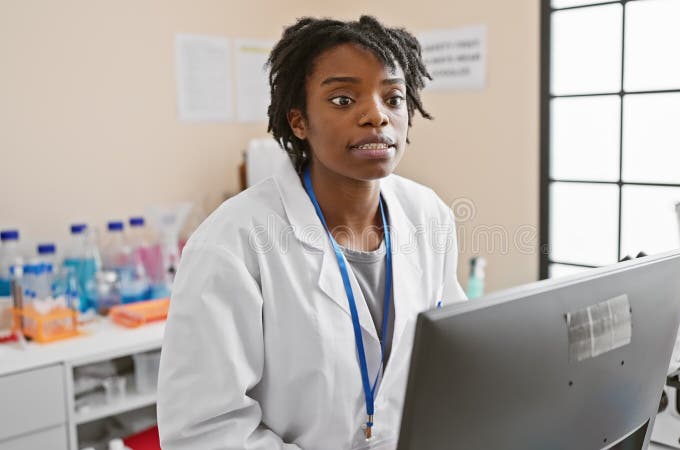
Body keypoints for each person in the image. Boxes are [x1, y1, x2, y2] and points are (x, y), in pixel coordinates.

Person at [157, 15, 466, 450]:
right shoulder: (233, 242)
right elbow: (203, 431)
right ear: (299, 121)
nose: (377, 115)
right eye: (342, 100)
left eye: (393, 98)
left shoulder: (429, 214)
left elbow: (449, 361)